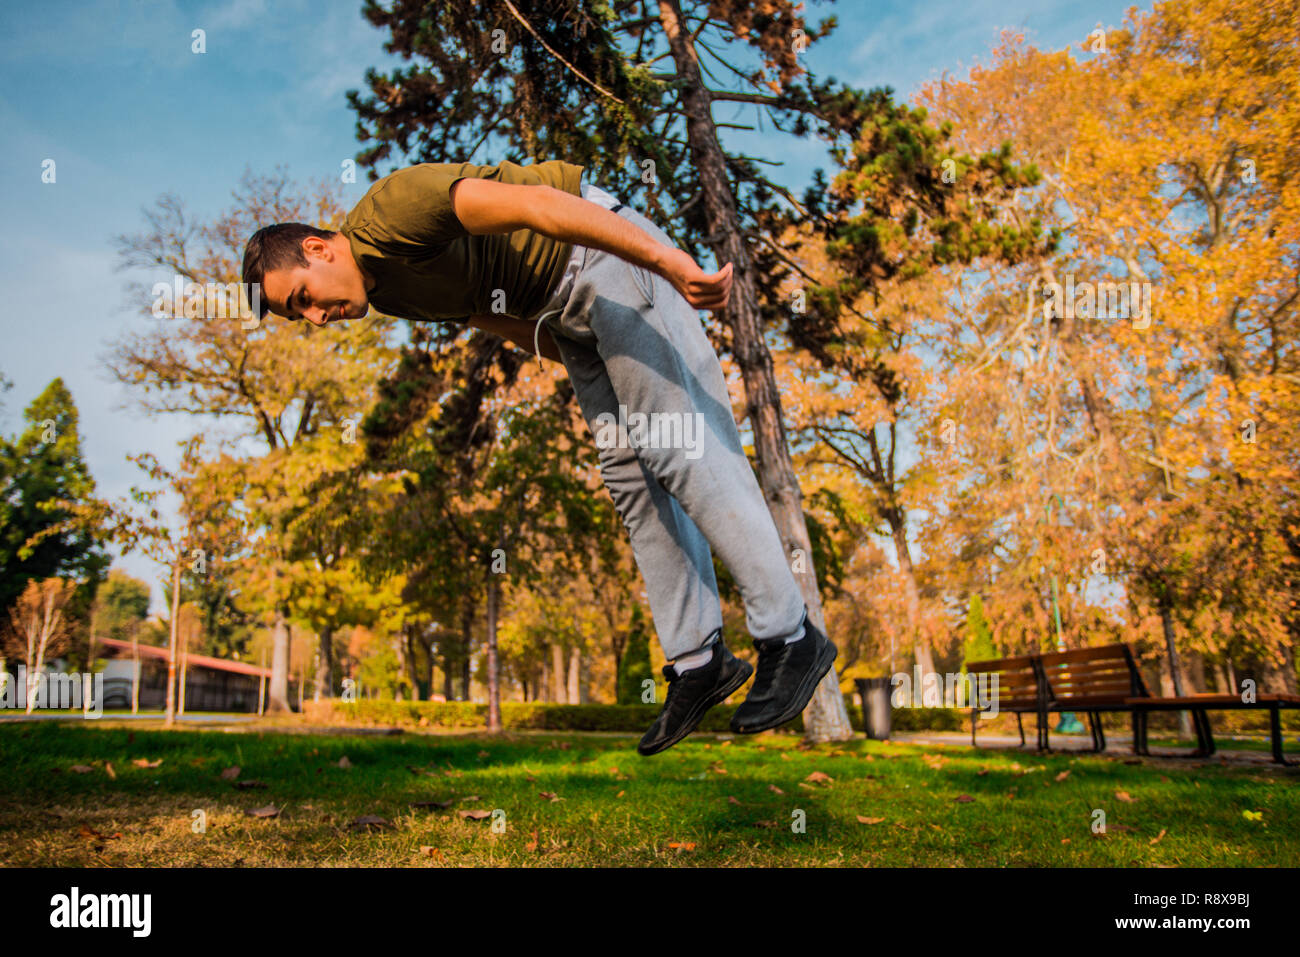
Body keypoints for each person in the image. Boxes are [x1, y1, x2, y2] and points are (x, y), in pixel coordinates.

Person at [241, 159, 835, 754]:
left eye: (304, 298)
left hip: (607, 261)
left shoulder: (392, 209)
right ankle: (698, 659)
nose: (317, 318)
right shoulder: (389, 292)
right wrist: (581, 357)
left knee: (681, 445)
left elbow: (535, 205)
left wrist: (666, 262)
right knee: (631, 483)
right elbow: (485, 313)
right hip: (568, 315)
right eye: (301, 317)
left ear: (318, 249)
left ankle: (788, 633)